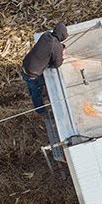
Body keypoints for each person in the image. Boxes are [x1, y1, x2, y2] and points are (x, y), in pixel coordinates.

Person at [22, 23, 68, 162]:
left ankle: (38, 96)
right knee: (36, 89)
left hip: (25, 66)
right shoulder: (56, 46)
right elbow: (57, 64)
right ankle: (40, 109)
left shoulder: (46, 35)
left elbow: (48, 50)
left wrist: (60, 49)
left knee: (34, 86)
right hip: (32, 73)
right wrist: (61, 53)